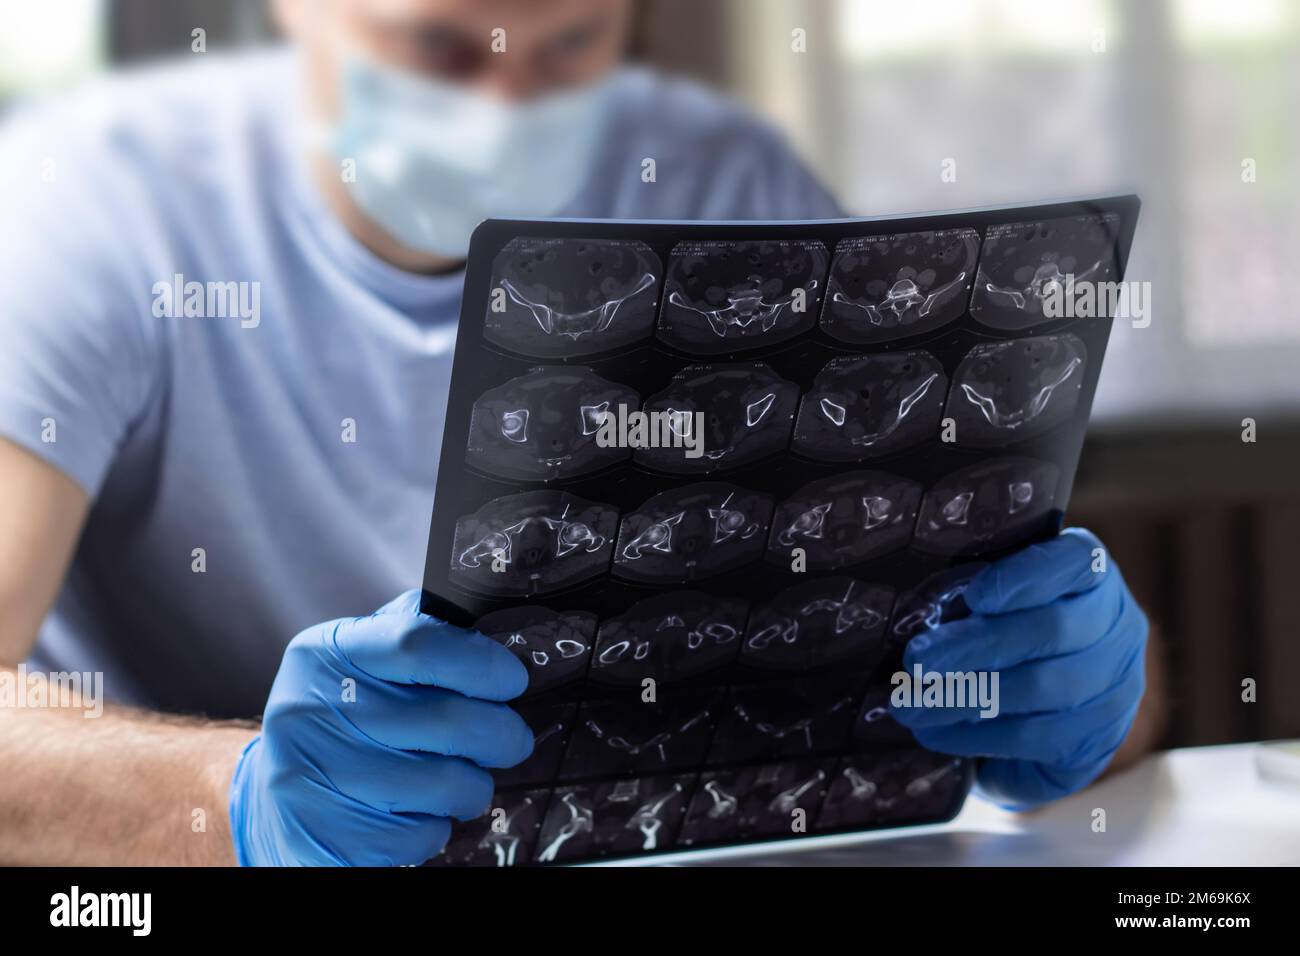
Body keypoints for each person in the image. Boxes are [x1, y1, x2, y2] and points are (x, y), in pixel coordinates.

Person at [0, 0, 1151, 866]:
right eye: (441, 46)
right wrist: (237, 797)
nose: (505, 105)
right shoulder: (89, 205)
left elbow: (1094, 690)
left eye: (568, 46)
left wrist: (1075, 692)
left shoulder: (716, 179)